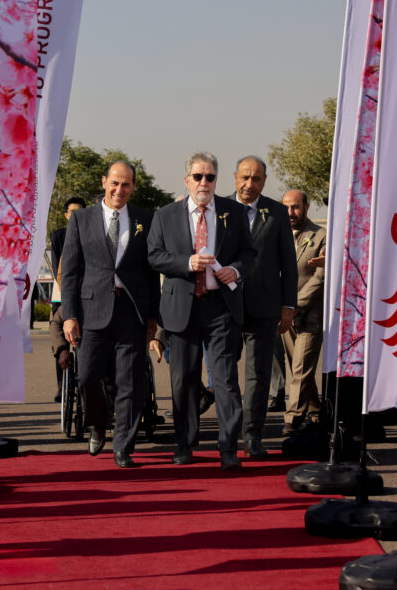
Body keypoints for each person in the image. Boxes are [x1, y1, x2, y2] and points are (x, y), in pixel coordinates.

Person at [148, 152, 255, 471]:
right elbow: (153, 256)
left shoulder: (233, 212)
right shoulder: (166, 215)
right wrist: (186, 263)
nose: (204, 182)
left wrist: (235, 271)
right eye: (198, 177)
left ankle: (228, 449)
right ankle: (184, 443)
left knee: (224, 379)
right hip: (181, 308)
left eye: (210, 177)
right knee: (182, 380)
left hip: (221, 308)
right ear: (187, 180)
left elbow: (249, 254)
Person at [61, 161, 159, 468]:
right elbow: (71, 272)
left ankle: (123, 447)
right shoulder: (82, 219)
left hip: (131, 311)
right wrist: (69, 314)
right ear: (104, 182)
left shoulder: (146, 219)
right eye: (115, 183)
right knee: (88, 376)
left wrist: (153, 315)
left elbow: (150, 273)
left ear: (133, 187)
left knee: (131, 381)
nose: (120, 190)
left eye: (126, 184)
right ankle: (99, 423)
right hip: (92, 312)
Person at [231, 156, 298, 459]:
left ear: (264, 181)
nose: (249, 184)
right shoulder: (220, 210)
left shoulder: (278, 213)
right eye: (245, 178)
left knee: (258, 374)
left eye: (256, 179)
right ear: (235, 178)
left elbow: (289, 264)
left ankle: (252, 435)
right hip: (225, 305)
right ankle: (227, 432)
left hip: (265, 306)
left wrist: (287, 305)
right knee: (224, 373)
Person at [281, 190, 326, 434]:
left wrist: (295, 304)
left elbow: (321, 276)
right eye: (286, 207)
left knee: (300, 368)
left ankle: (292, 419)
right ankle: (315, 412)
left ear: (306, 207)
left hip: (309, 316)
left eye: (296, 207)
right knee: (299, 367)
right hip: (285, 319)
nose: (290, 212)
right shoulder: (278, 235)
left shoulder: (321, 235)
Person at [49, 197, 87, 400]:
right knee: (59, 337)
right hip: (62, 293)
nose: (75, 216)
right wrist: (68, 293)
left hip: (85, 293)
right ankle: (62, 386)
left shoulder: (89, 234)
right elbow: (58, 269)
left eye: (80, 212)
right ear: (66, 215)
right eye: (72, 212)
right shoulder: (59, 236)